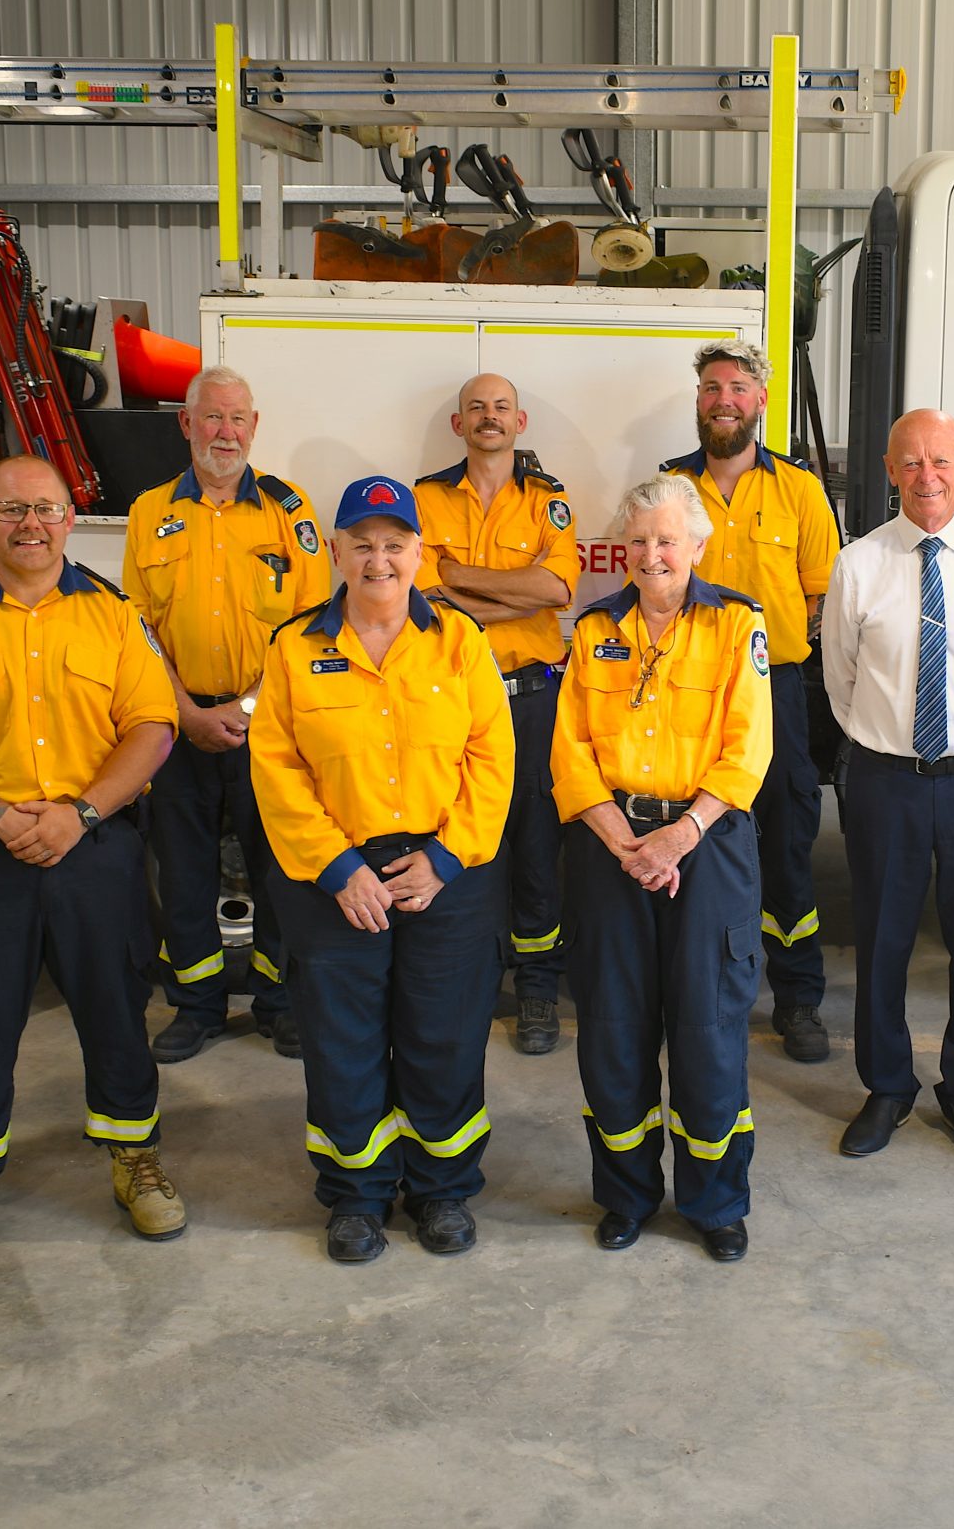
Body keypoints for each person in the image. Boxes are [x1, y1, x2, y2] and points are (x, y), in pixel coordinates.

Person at [0, 455, 183, 1277]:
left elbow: (153, 728)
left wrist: (79, 813)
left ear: (69, 519)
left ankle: (135, 1160)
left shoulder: (112, 616)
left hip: (94, 848)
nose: (30, 524)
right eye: (11, 508)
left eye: (46, 509)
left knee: (117, 1010)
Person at [248, 477, 515, 1265]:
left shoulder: (460, 640)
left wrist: (443, 859)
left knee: (444, 1034)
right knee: (344, 1040)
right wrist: (337, 869)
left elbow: (492, 759)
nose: (379, 558)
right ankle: (357, 1196)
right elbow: (276, 767)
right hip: (336, 876)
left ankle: (441, 1189)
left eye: (395, 543)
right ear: (335, 552)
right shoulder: (296, 646)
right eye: (362, 543)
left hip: (444, 871)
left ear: (419, 554)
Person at [551, 474, 773, 1261]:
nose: (653, 554)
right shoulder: (592, 630)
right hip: (612, 851)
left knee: (709, 1033)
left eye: (668, 539)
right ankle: (626, 1195)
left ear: (699, 546)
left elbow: (748, 748)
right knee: (613, 1031)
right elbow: (570, 753)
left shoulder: (735, 624)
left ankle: (716, 1203)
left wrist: (678, 837)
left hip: (705, 848)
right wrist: (624, 842)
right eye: (640, 540)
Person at [821, 409, 954, 1165]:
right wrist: (891, 742)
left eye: (940, 461)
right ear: (889, 470)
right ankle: (887, 1086)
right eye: (910, 463)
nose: (927, 477)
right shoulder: (859, 564)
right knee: (882, 939)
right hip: (886, 780)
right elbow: (841, 678)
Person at [122, 365, 331, 1063]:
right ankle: (197, 1005)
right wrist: (185, 711)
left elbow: (310, 628)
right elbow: (139, 630)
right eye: (212, 417)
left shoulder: (288, 510)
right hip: (175, 724)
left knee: (279, 869)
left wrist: (242, 710)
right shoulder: (150, 512)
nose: (225, 431)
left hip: (262, 723)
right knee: (183, 872)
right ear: (186, 424)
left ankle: (280, 1001)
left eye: (238, 418)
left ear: (254, 426)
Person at [664, 342, 841, 1063]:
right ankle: (699, 993)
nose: (724, 399)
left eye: (738, 387)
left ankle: (797, 1000)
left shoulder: (799, 489)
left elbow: (821, 593)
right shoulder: (669, 488)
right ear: (699, 400)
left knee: (787, 848)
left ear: (762, 401)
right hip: (689, 694)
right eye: (711, 388)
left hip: (778, 693)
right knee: (695, 844)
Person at [416, 373, 580, 1057]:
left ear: (521, 421)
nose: (490, 417)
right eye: (476, 408)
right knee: (467, 840)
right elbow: (422, 599)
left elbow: (560, 586)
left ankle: (539, 984)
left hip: (534, 696)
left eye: (501, 407)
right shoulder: (422, 498)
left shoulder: (550, 498)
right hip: (455, 699)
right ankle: (475, 978)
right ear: (460, 425)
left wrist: (462, 577)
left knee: (537, 845)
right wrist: (519, 599)